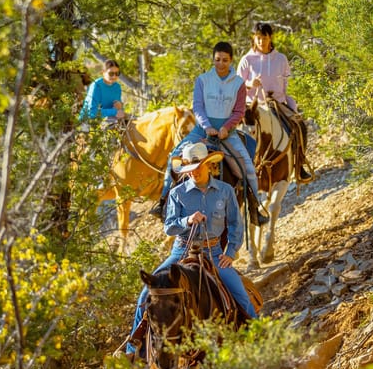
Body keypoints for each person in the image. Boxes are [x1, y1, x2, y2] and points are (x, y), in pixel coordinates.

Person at [127, 142, 258, 357]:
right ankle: (134, 347)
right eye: (189, 170)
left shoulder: (225, 191)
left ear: (209, 166)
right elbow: (169, 226)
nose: (194, 173)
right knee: (146, 294)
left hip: (214, 252)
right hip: (181, 253)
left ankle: (257, 337)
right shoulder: (177, 193)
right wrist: (187, 220)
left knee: (240, 295)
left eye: (198, 168)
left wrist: (231, 252)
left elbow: (236, 224)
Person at [149, 41, 269, 225]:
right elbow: (197, 106)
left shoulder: (238, 84)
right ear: (213, 59)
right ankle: (163, 202)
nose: (220, 64)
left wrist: (226, 128)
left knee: (248, 168)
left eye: (225, 60)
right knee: (173, 158)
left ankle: (254, 208)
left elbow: (238, 112)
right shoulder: (203, 80)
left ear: (231, 61)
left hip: (227, 133)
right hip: (201, 130)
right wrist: (207, 126)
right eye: (217, 59)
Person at [237, 22, 314, 184]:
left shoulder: (281, 59)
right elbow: (236, 85)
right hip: (254, 106)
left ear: (270, 38)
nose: (260, 42)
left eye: (264, 38)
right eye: (257, 38)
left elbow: (288, 83)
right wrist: (250, 85)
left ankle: (299, 166)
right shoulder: (247, 60)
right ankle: (239, 170)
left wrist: (289, 101)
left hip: (277, 103)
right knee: (243, 132)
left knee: (299, 126)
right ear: (254, 38)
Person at [79, 59, 126, 127]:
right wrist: (114, 112)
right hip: (87, 124)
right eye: (111, 73)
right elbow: (91, 113)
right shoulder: (96, 86)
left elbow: (118, 109)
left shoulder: (117, 87)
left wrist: (120, 108)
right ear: (103, 72)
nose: (114, 76)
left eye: (117, 73)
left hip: (108, 121)